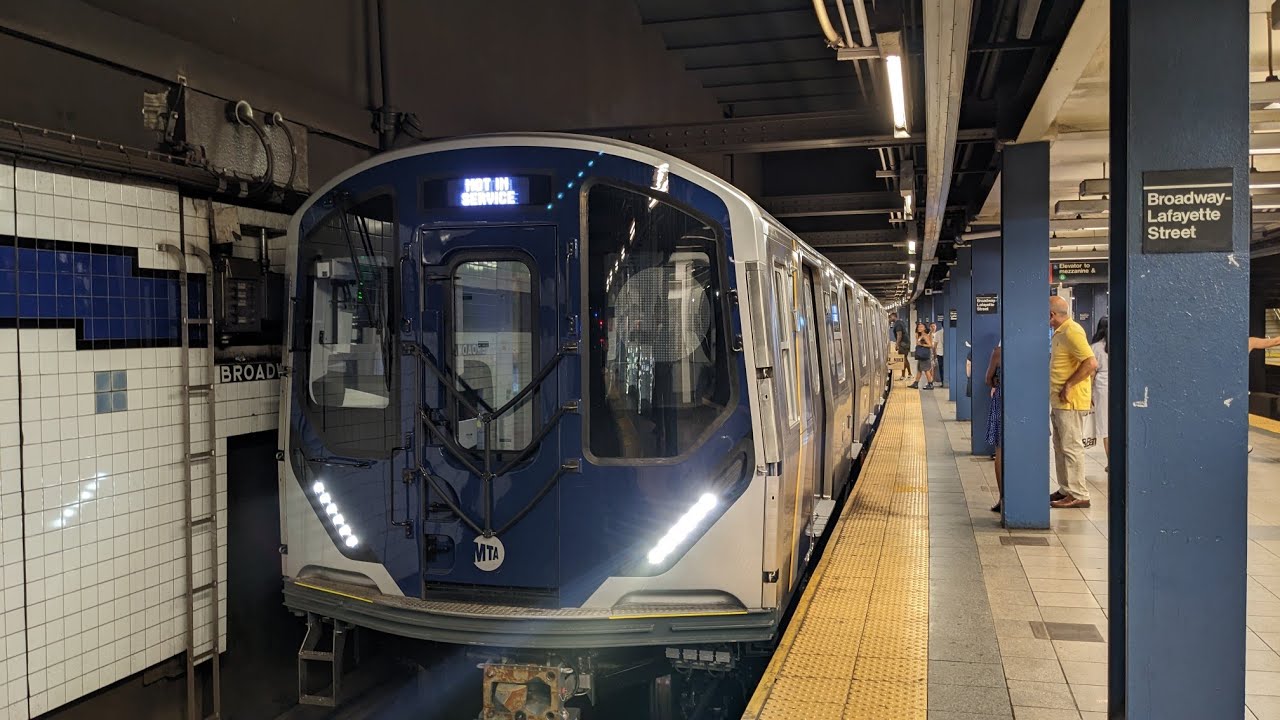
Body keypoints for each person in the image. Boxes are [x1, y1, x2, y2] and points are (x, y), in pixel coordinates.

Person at [1049, 296, 1098, 509]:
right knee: (1060, 447)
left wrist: (1069, 385)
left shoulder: (1072, 331)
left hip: (1070, 401)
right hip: (1060, 402)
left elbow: (1091, 362)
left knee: (1071, 447)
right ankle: (1065, 489)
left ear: (1052, 315)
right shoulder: (1060, 333)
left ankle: (1079, 493)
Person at [985, 343, 1004, 513]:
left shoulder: (998, 351)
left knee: (1000, 450)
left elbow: (987, 379)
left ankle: (1003, 498)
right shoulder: (1035, 348)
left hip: (1002, 400)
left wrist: (997, 382)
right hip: (1027, 404)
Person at [1090, 317, 1109, 471]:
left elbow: (1091, 373)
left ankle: (1111, 462)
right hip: (1117, 387)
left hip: (1101, 389)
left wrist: (1089, 394)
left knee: (1105, 427)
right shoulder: (1120, 345)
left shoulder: (1095, 347)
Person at [909, 321, 935, 389]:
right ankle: (916, 383)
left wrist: (921, 344)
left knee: (926, 370)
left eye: (921, 327)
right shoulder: (920, 335)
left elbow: (930, 345)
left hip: (924, 355)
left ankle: (930, 384)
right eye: (918, 327)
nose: (919, 328)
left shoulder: (925, 336)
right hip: (922, 356)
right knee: (919, 369)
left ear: (924, 328)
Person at [890, 312, 910, 380]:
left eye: (890, 317)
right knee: (905, 358)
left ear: (894, 316)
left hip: (903, 343)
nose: (890, 319)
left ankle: (903, 375)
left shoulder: (897, 324)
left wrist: (897, 344)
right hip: (906, 343)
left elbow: (899, 335)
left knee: (902, 359)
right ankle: (909, 374)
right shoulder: (900, 322)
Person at [932, 321, 945, 387]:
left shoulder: (937, 333)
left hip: (939, 353)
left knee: (941, 368)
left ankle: (943, 381)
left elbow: (935, 346)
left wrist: (935, 356)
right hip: (947, 354)